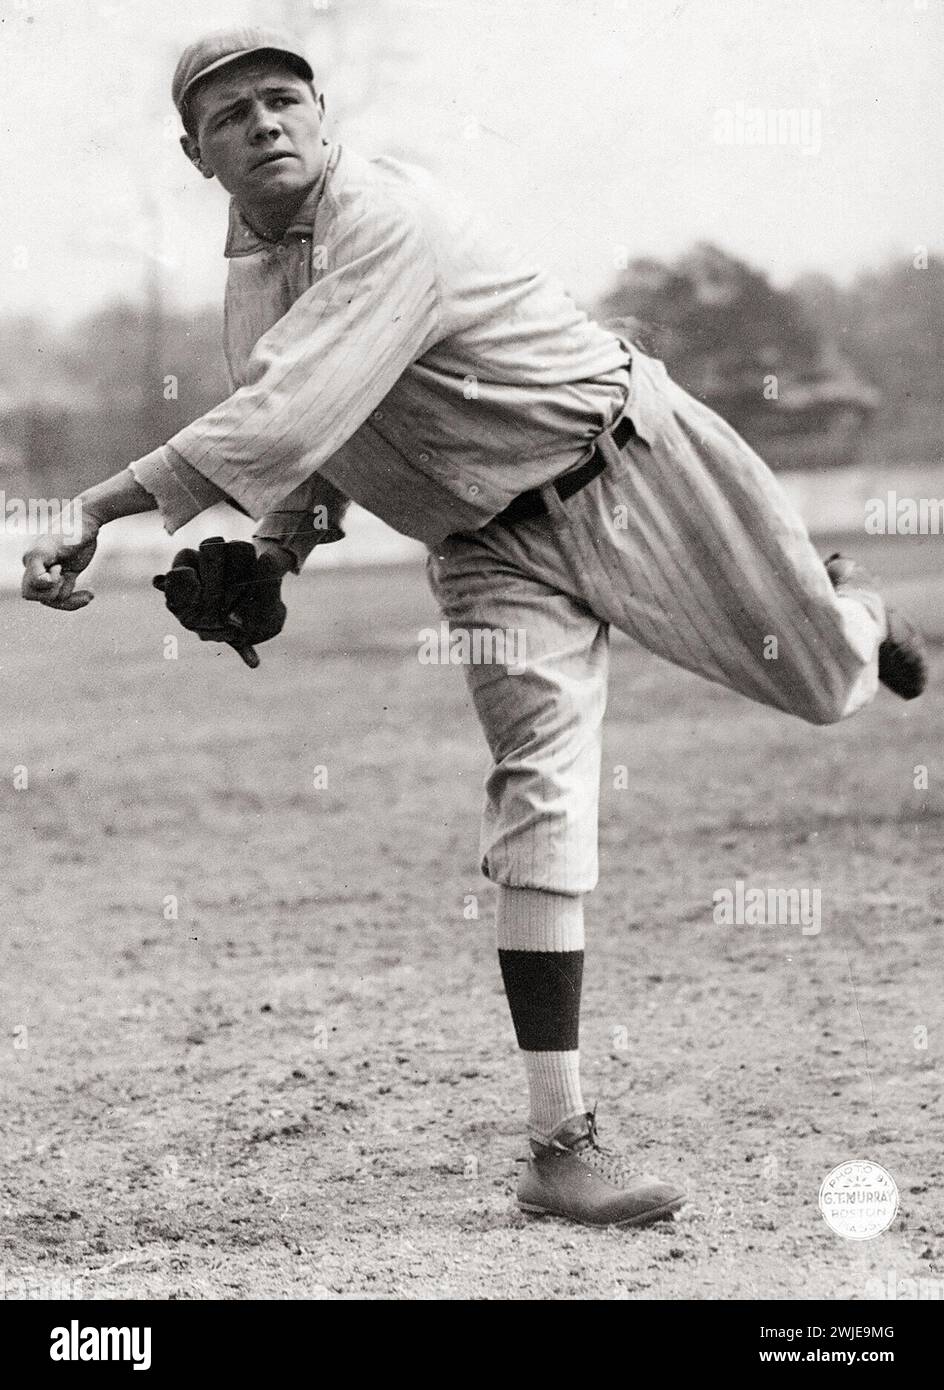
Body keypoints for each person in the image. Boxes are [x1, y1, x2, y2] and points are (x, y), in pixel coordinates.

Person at [21, 26, 928, 1229]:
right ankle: (561, 1144)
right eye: (231, 115)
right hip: (487, 549)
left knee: (825, 685)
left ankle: (846, 604)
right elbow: (333, 420)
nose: (265, 123)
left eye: (284, 97)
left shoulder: (386, 216)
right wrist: (284, 546)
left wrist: (88, 507)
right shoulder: (252, 293)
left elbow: (289, 413)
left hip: (626, 468)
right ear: (197, 156)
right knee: (539, 797)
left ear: (326, 115)